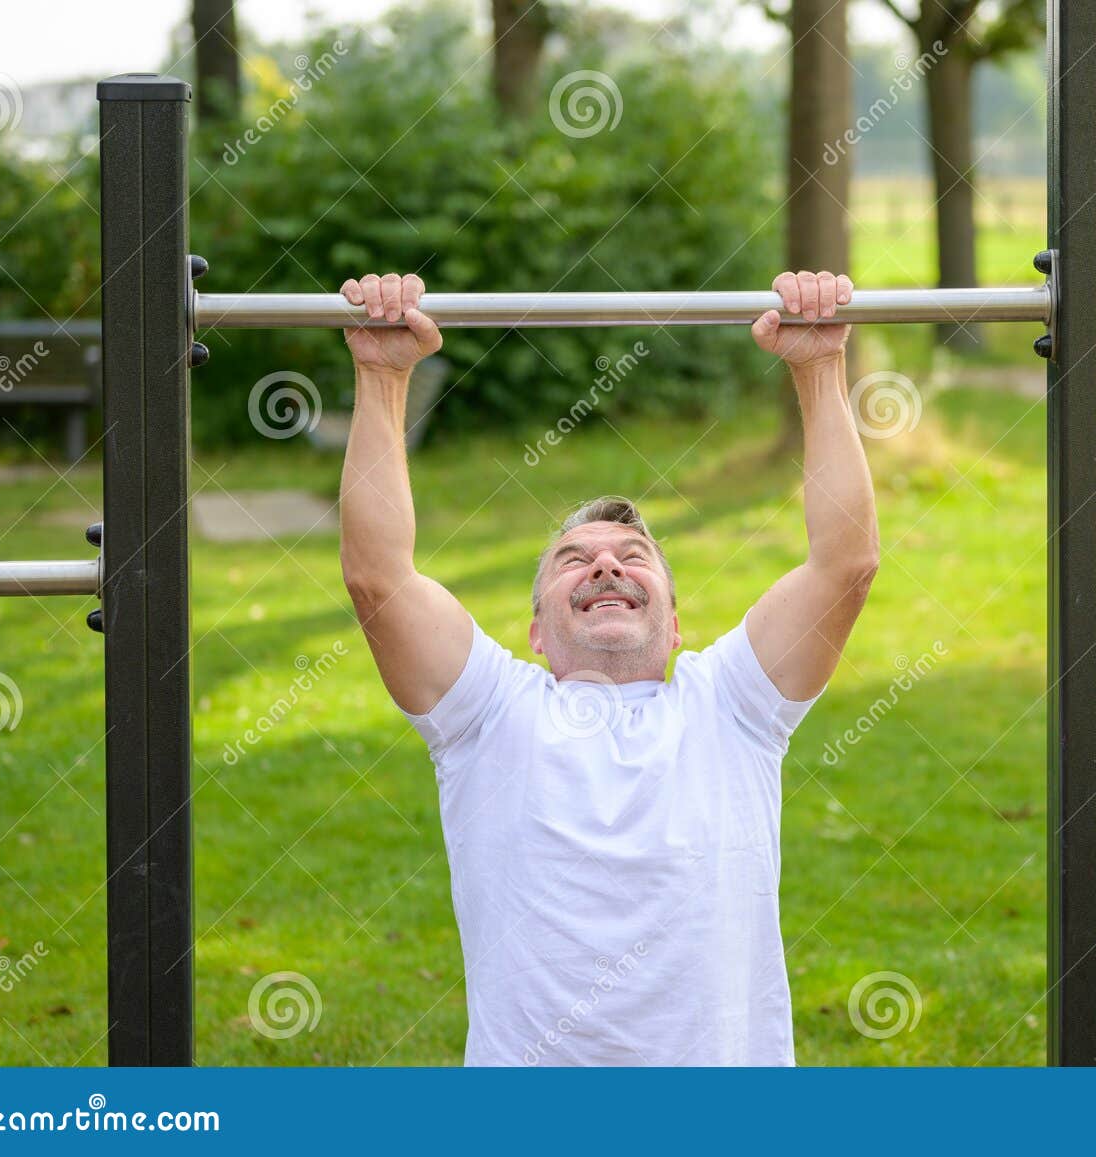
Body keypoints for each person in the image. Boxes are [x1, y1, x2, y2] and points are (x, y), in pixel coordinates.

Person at [337, 270, 879, 1065]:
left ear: (676, 627)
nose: (605, 568)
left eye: (633, 556)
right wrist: (383, 378)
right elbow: (379, 576)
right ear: (535, 634)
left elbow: (845, 565)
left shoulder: (731, 701)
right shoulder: (488, 713)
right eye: (573, 560)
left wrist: (820, 368)